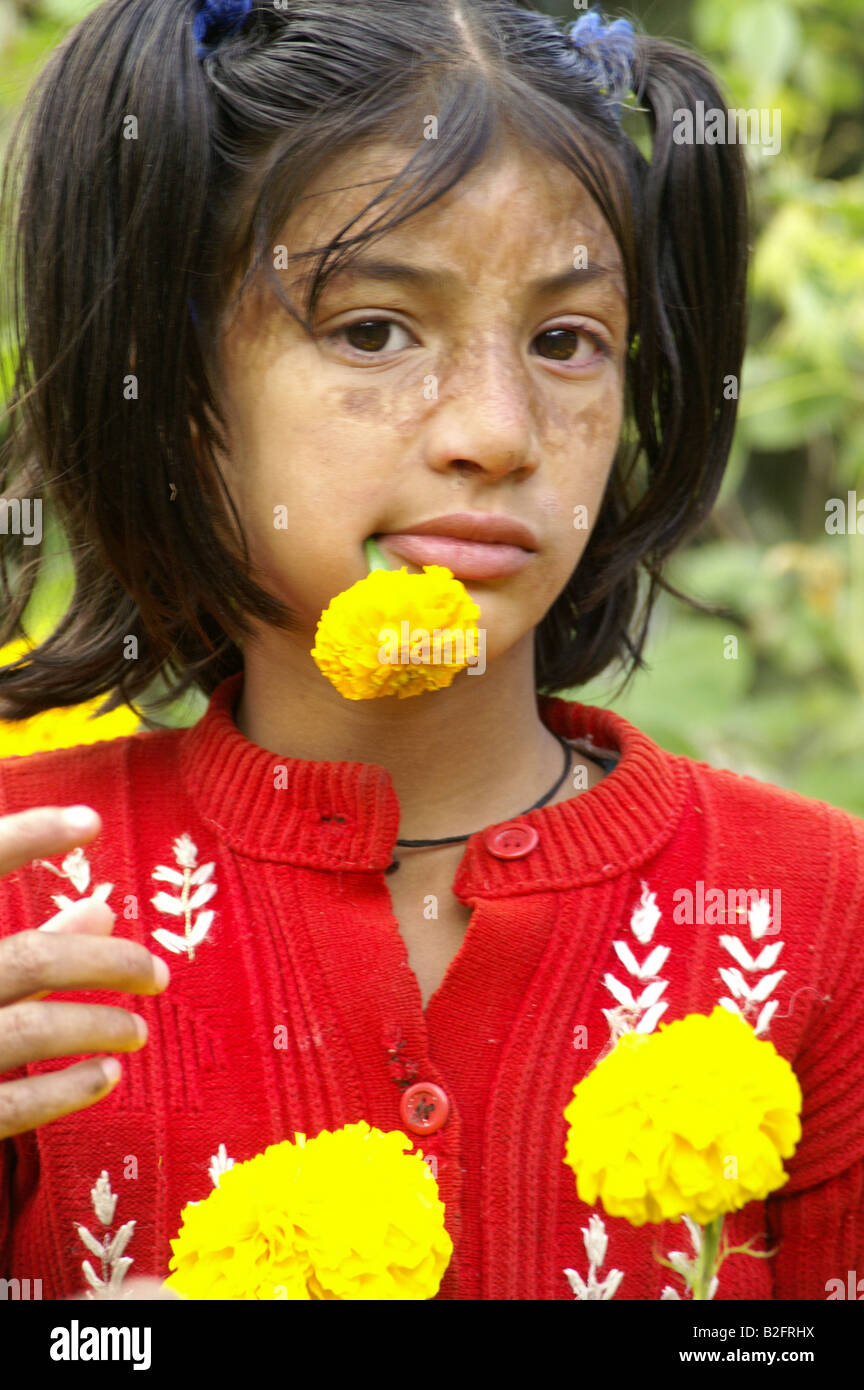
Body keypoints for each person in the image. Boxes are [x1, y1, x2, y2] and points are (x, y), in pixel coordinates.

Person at [0, 0, 861, 1302]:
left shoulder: (821, 913)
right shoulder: (27, 896)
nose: (500, 431)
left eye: (568, 341)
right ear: (169, 389)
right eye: (373, 330)